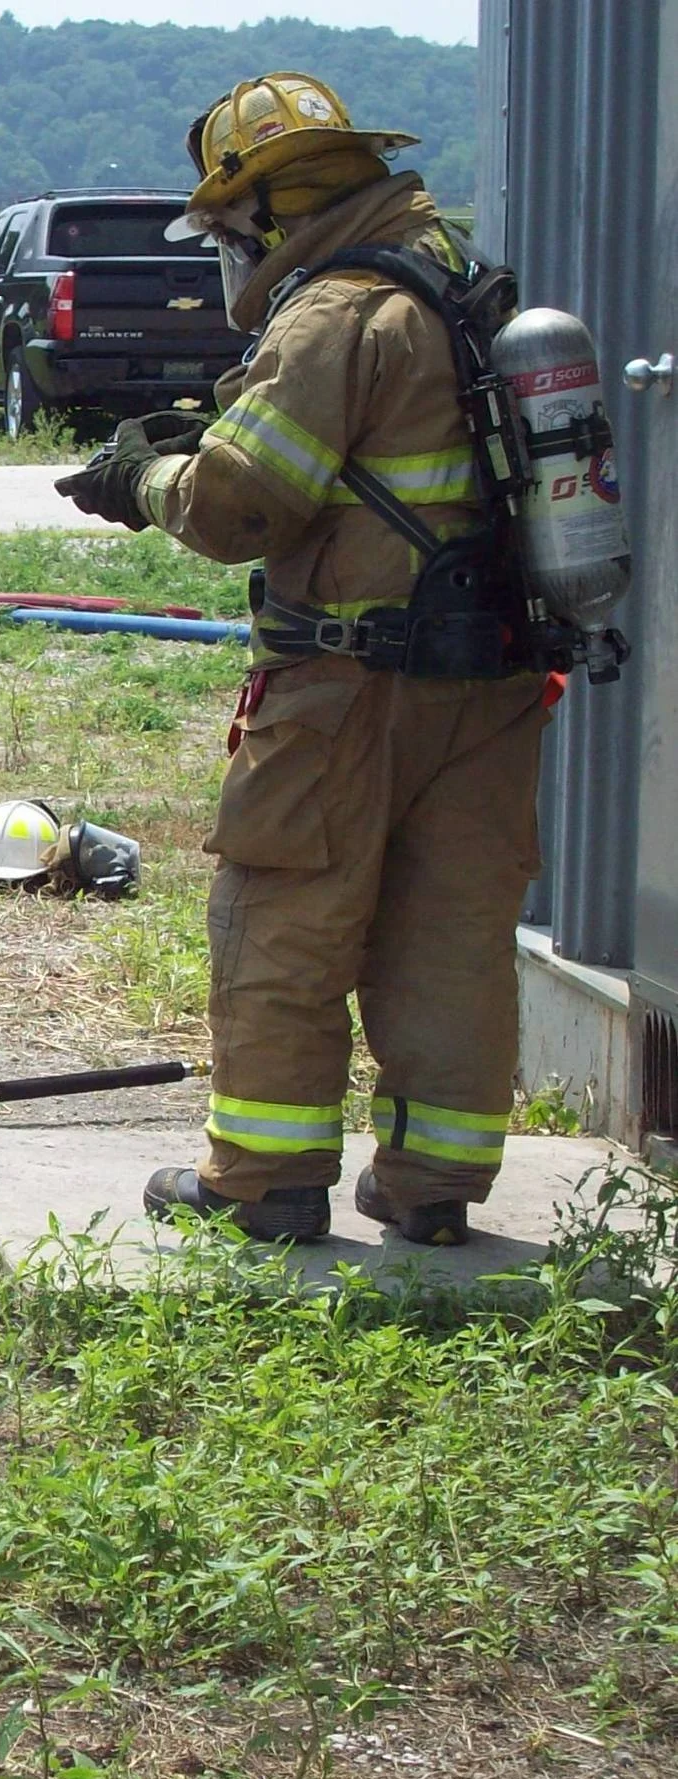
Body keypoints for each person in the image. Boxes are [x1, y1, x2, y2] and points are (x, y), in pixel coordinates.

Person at [57, 72, 551, 1248]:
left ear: (272, 214)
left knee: (284, 912)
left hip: (347, 684)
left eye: (231, 232)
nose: (229, 256)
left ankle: (261, 1184)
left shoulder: (336, 309)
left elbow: (239, 504)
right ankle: (433, 1183)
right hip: (484, 678)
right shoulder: (462, 283)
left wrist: (142, 478)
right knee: (449, 925)